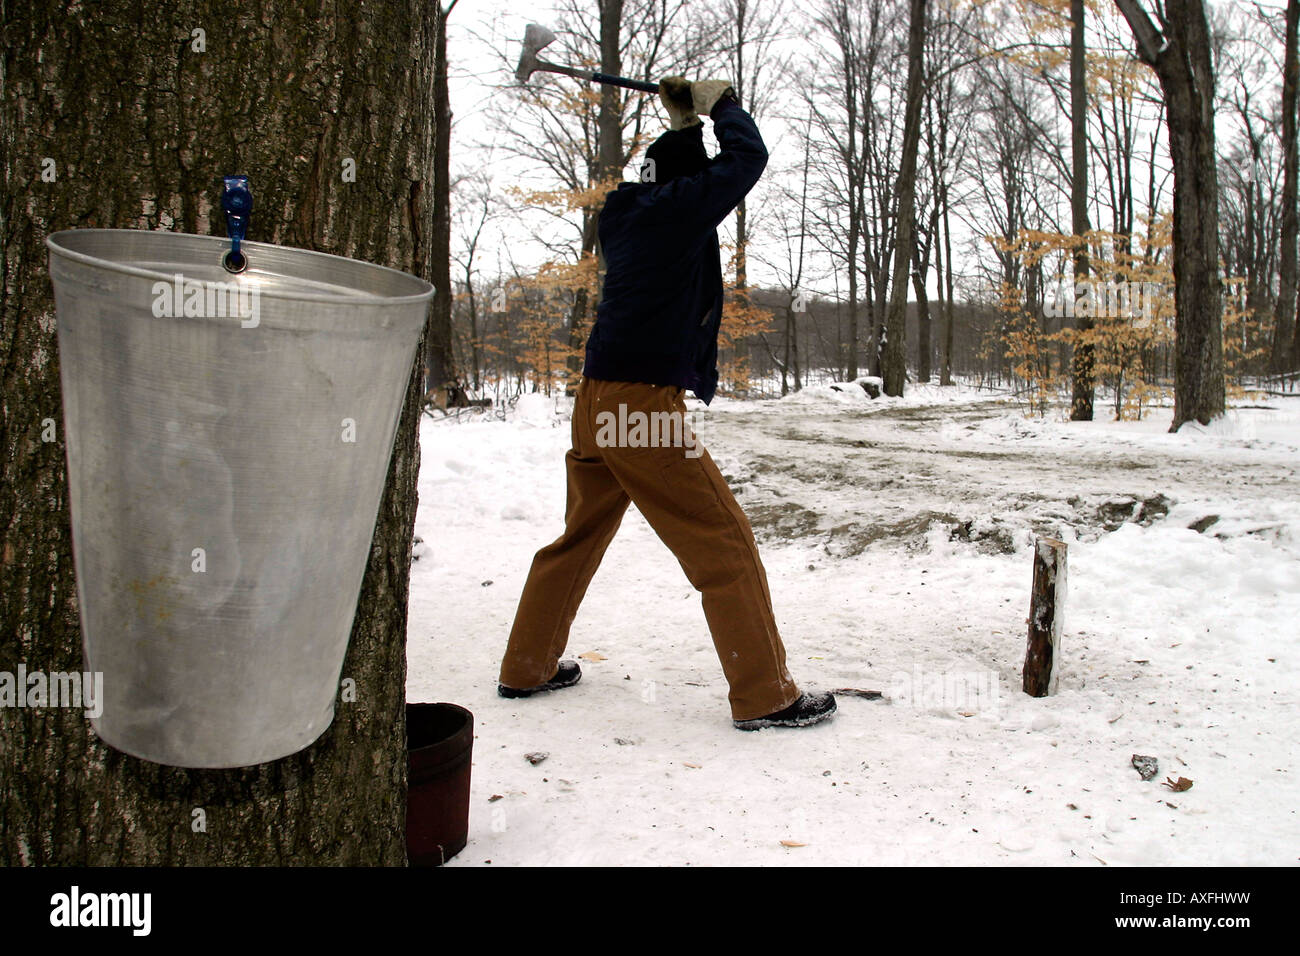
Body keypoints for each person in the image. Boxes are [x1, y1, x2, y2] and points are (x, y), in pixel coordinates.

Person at [497, 77, 835, 731]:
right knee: (723, 541)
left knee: (579, 535)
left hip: (597, 399)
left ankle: (527, 664)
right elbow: (746, 162)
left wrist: (683, 129)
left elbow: (683, 177)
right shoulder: (677, 211)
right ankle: (766, 694)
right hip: (642, 407)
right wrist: (724, 107)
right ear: (684, 183)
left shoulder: (624, 212)